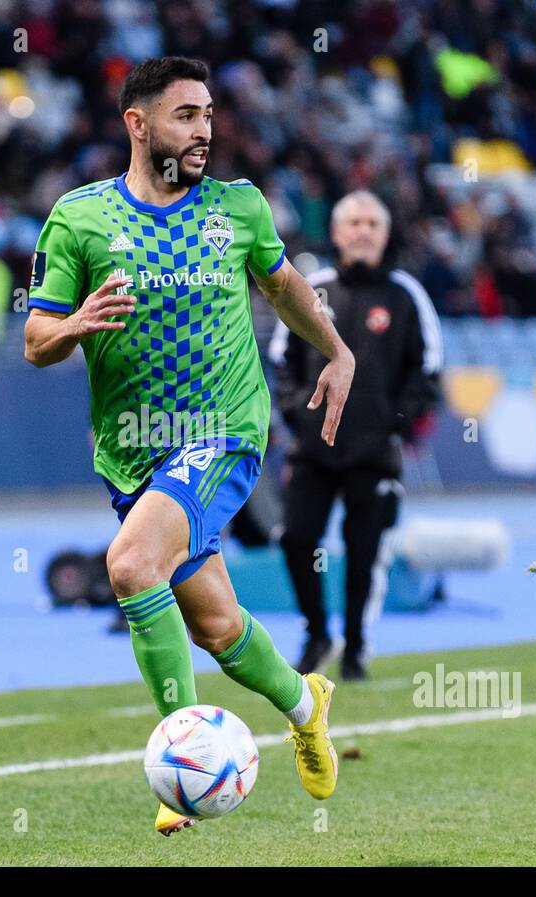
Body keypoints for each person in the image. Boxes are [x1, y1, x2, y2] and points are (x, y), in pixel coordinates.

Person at [24, 56, 355, 836]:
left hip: (224, 434)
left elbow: (282, 287)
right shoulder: (79, 219)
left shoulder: (238, 208)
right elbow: (36, 339)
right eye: (185, 115)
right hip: (133, 451)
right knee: (217, 627)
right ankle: (307, 704)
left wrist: (337, 351)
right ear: (137, 124)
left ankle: (183, 759)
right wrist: (70, 327)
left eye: (207, 114)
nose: (203, 130)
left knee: (133, 565)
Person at [271, 191, 443, 680]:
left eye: (373, 222)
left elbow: (428, 368)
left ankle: (356, 647)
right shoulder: (312, 288)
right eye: (355, 222)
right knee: (296, 538)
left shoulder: (406, 295)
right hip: (313, 448)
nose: (364, 230)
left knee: (364, 551)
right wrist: (298, 415)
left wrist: (395, 421)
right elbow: (284, 360)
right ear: (338, 231)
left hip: (374, 452)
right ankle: (316, 631)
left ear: (385, 233)